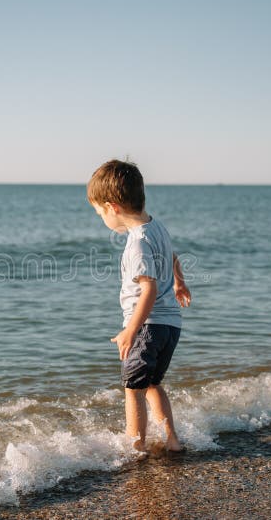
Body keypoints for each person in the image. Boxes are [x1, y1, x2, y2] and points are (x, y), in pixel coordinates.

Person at [87, 159, 191, 453]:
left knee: (133, 389)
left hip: (147, 326)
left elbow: (149, 288)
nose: (101, 218)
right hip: (170, 325)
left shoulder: (137, 244)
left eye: (99, 212)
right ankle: (172, 440)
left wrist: (130, 330)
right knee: (152, 384)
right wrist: (180, 282)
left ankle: (137, 447)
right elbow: (171, 255)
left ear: (113, 207)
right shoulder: (156, 227)